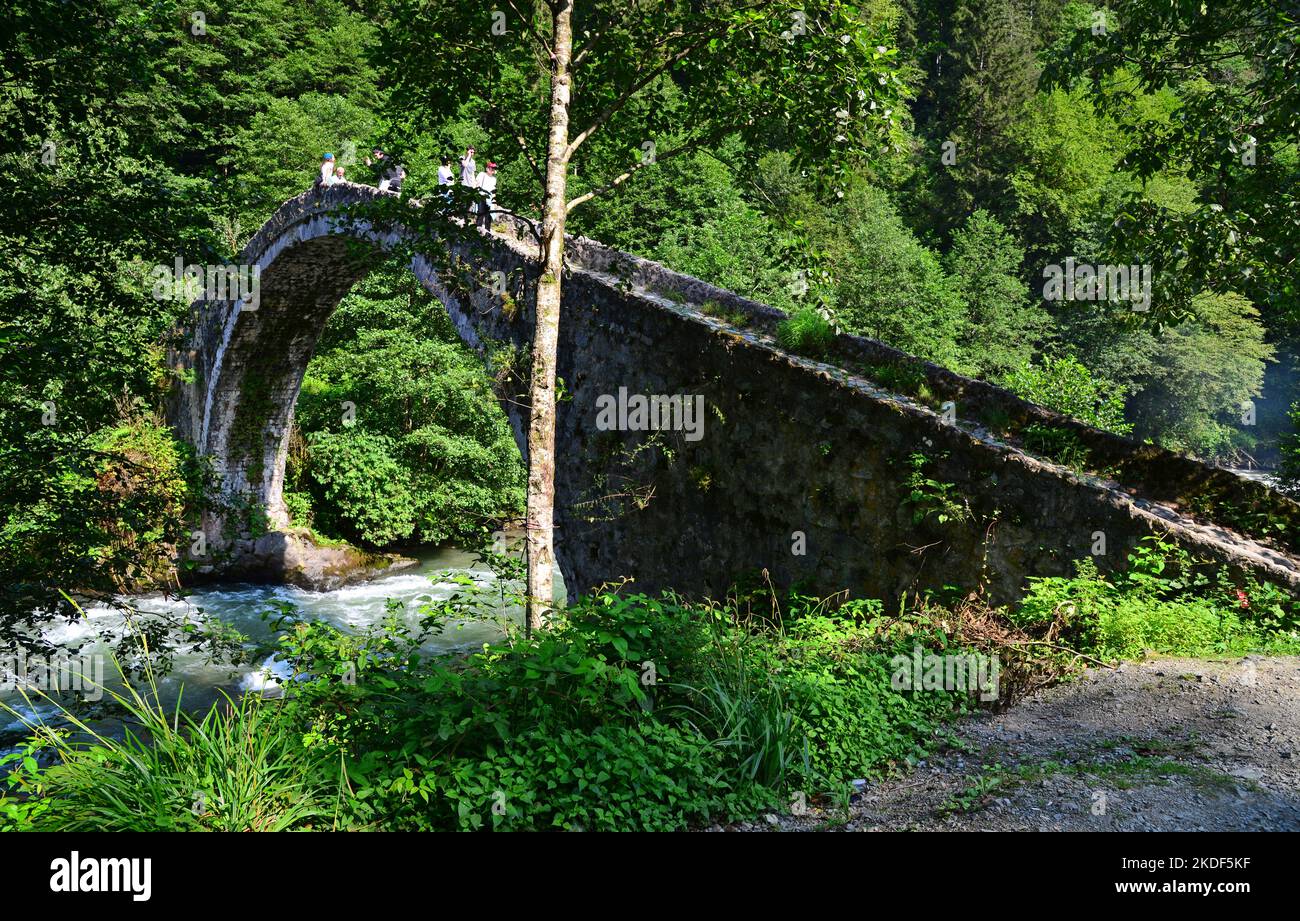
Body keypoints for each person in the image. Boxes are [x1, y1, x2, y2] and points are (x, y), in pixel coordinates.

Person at [475, 161, 498, 230]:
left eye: (494, 168)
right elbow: (476, 184)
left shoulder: (494, 179)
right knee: (480, 213)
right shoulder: (482, 174)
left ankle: (487, 231)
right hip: (481, 196)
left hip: (490, 199)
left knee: (489, 216)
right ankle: (478, 229)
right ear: (487, 168)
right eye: (491, 168)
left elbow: (494, 191)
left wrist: (494, 201)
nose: (493, 170)